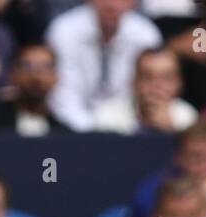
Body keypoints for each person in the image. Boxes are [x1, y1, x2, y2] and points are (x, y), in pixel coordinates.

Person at [45, 0, 163, 131]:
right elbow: (64, 96)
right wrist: (97, 133)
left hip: (129, 130)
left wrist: (121, 128)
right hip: (71, 131)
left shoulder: (146, 34)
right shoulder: (64, 30)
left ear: (133, 2)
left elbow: (146, 92)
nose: (111, 4)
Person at [0, 44, 76, 135]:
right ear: (13, 74)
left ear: (56, 77)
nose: (36, 76)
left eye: (45, 68)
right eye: (27, 67)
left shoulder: (63, 134)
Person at [92, 47, 200, 132]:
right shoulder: (106, 117)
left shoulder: (188, 119)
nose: (157, 85)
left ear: (179, 84)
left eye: (167, 78)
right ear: (133, 82)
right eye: (147, 77)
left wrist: (171, 130)